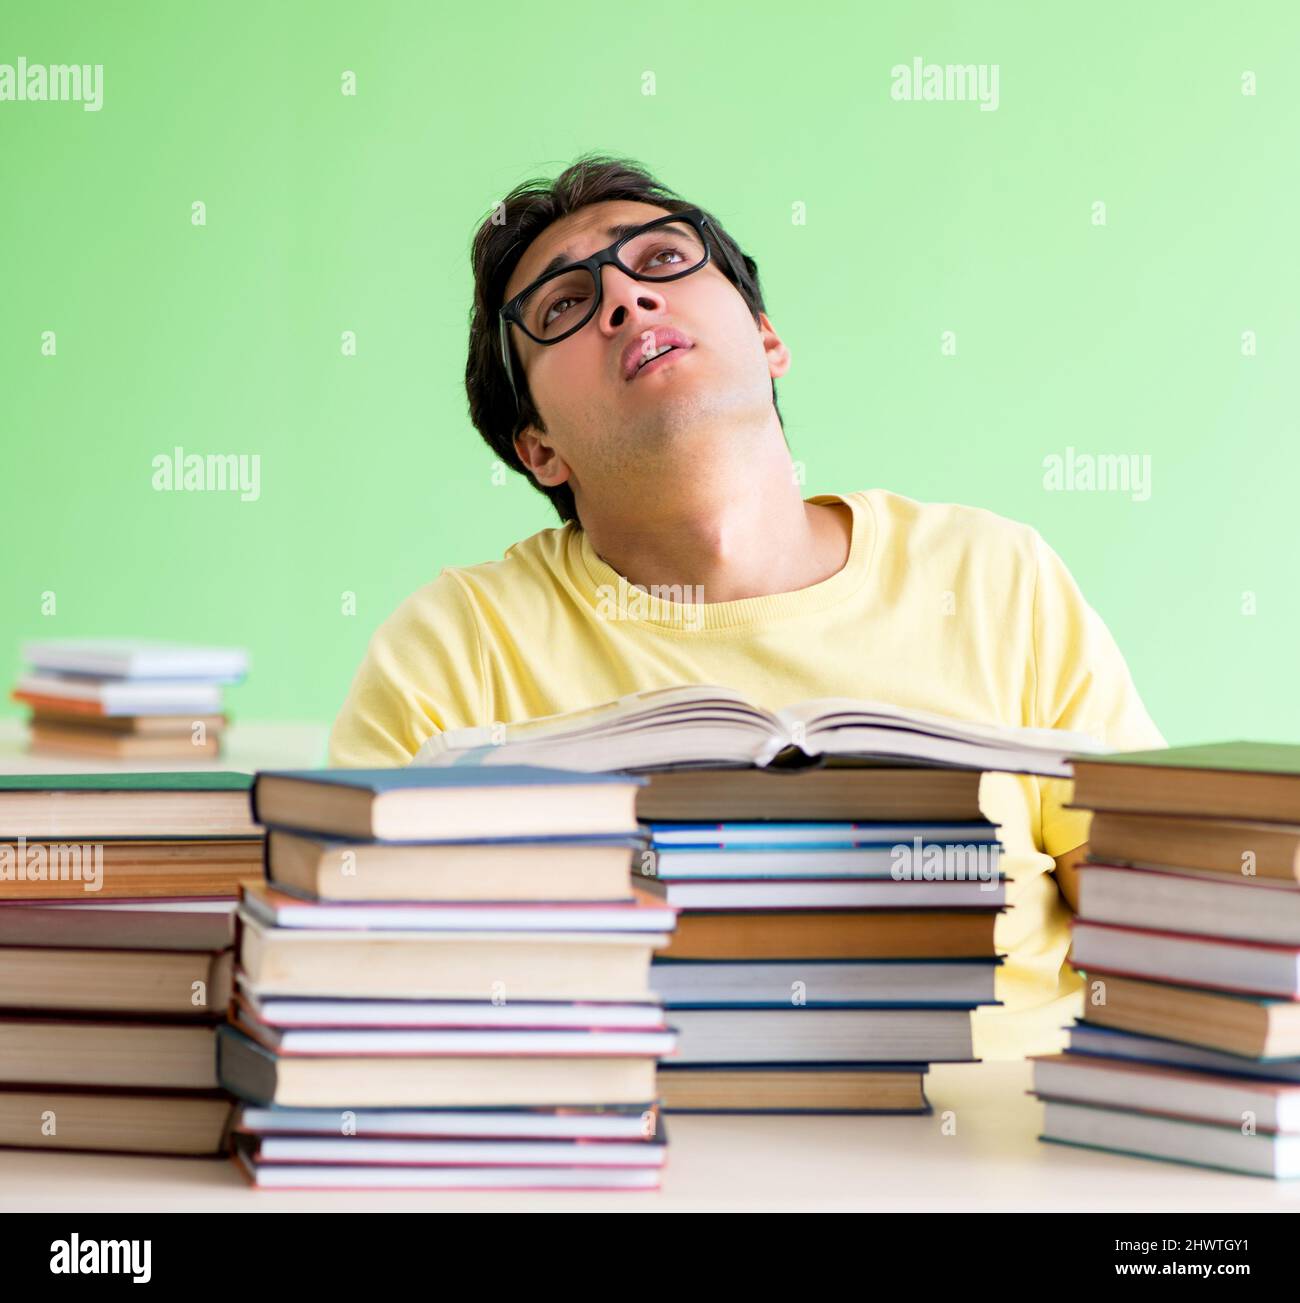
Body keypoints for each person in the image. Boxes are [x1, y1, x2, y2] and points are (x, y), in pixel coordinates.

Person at [329, 153, 1166, 1060]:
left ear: (767, 338)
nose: (624, 300)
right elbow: (351, 982)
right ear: (539, 449)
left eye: (659, 261)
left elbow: (1166, 929)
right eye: (565, 305)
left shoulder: (998, 576)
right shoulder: (453, 650)